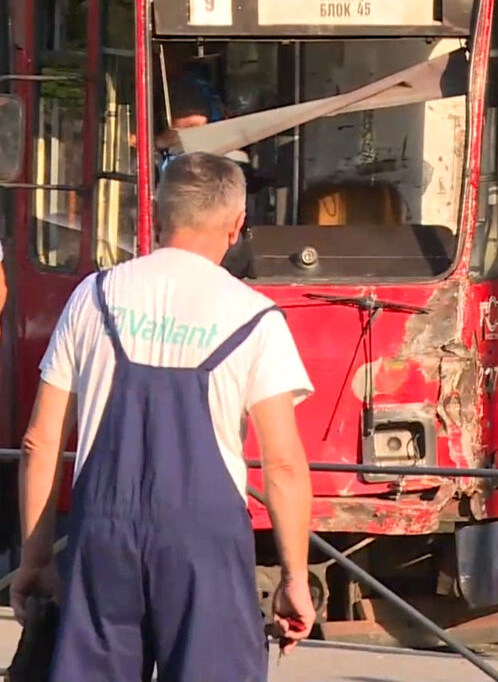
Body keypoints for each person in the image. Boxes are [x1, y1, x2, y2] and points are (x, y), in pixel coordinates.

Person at [13, 152, 317, 679]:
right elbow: (284, 466)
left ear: (155, 212)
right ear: (237, 223)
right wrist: (295, 577)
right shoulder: (255, 316)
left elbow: (41, 442)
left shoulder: (94, 296)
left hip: (101, 537)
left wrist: (36, 559)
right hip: (205, 544)